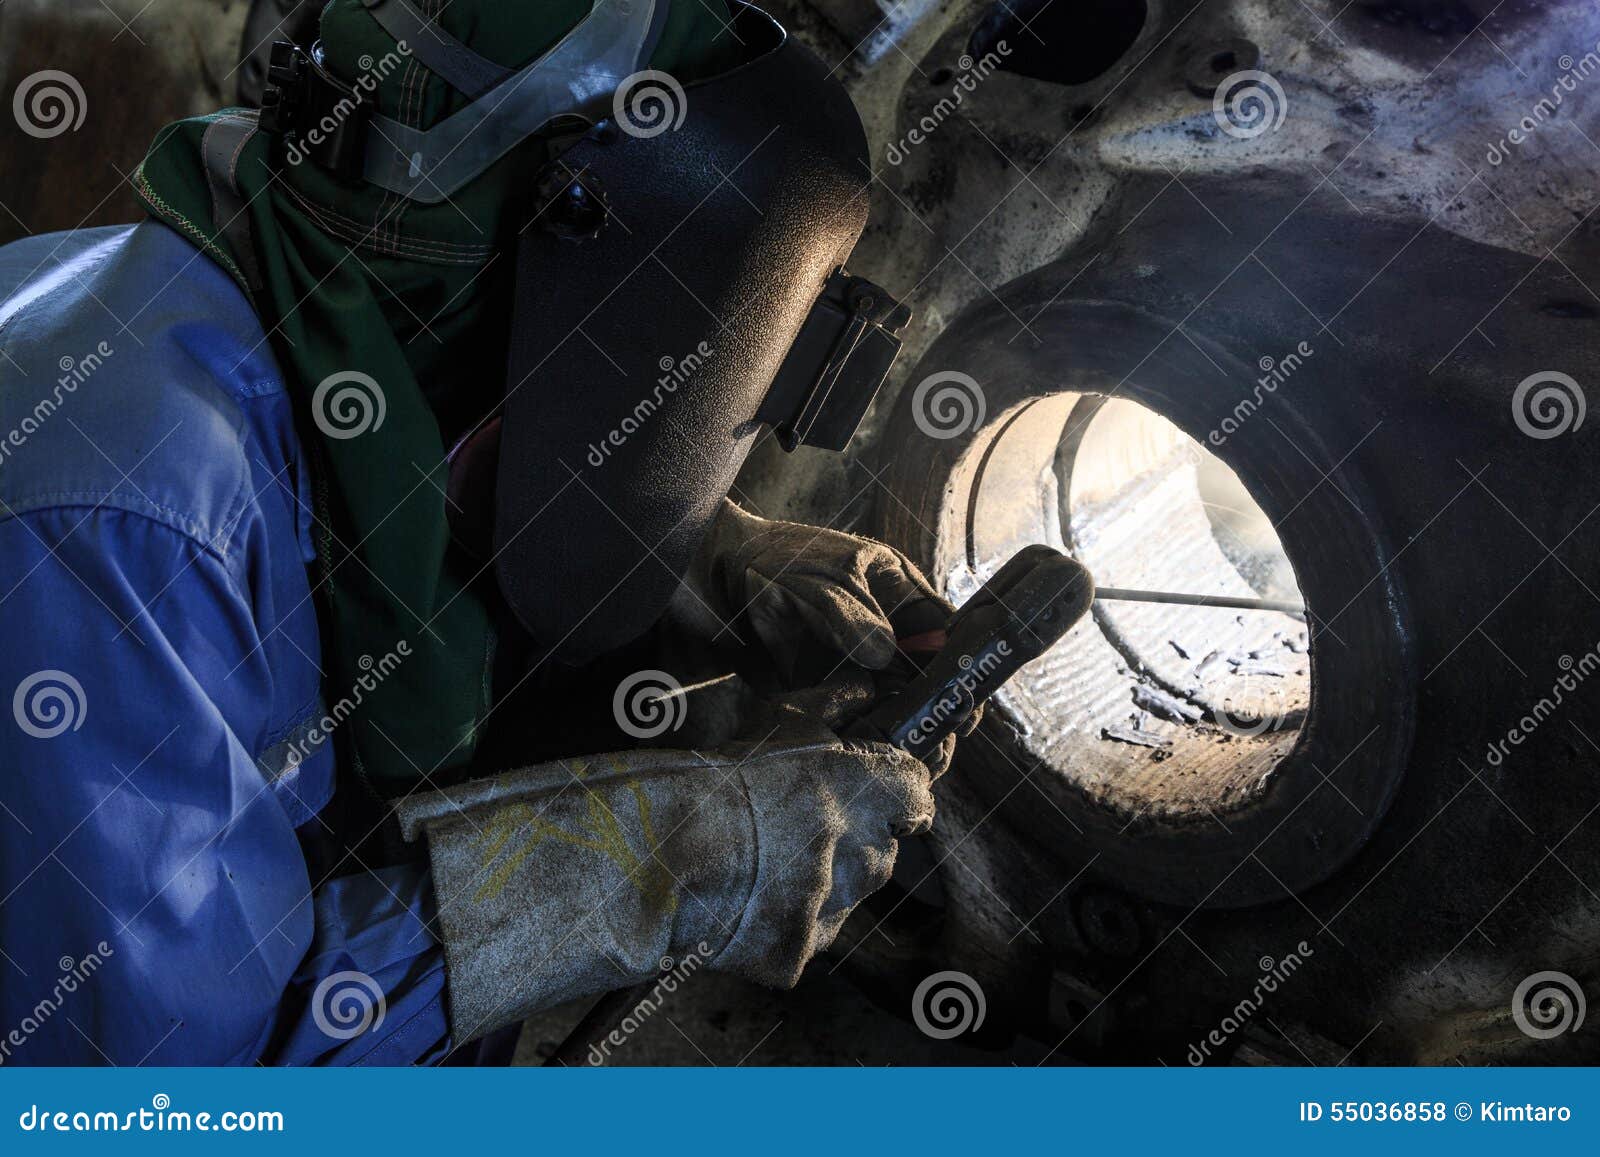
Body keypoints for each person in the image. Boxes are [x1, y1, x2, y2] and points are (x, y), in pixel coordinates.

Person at [0, 0, 976, 1064]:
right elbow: (176, 1091)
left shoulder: (292, 305)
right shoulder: (115, 535)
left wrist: (684, 553)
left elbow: (404, 485)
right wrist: (667, 866)